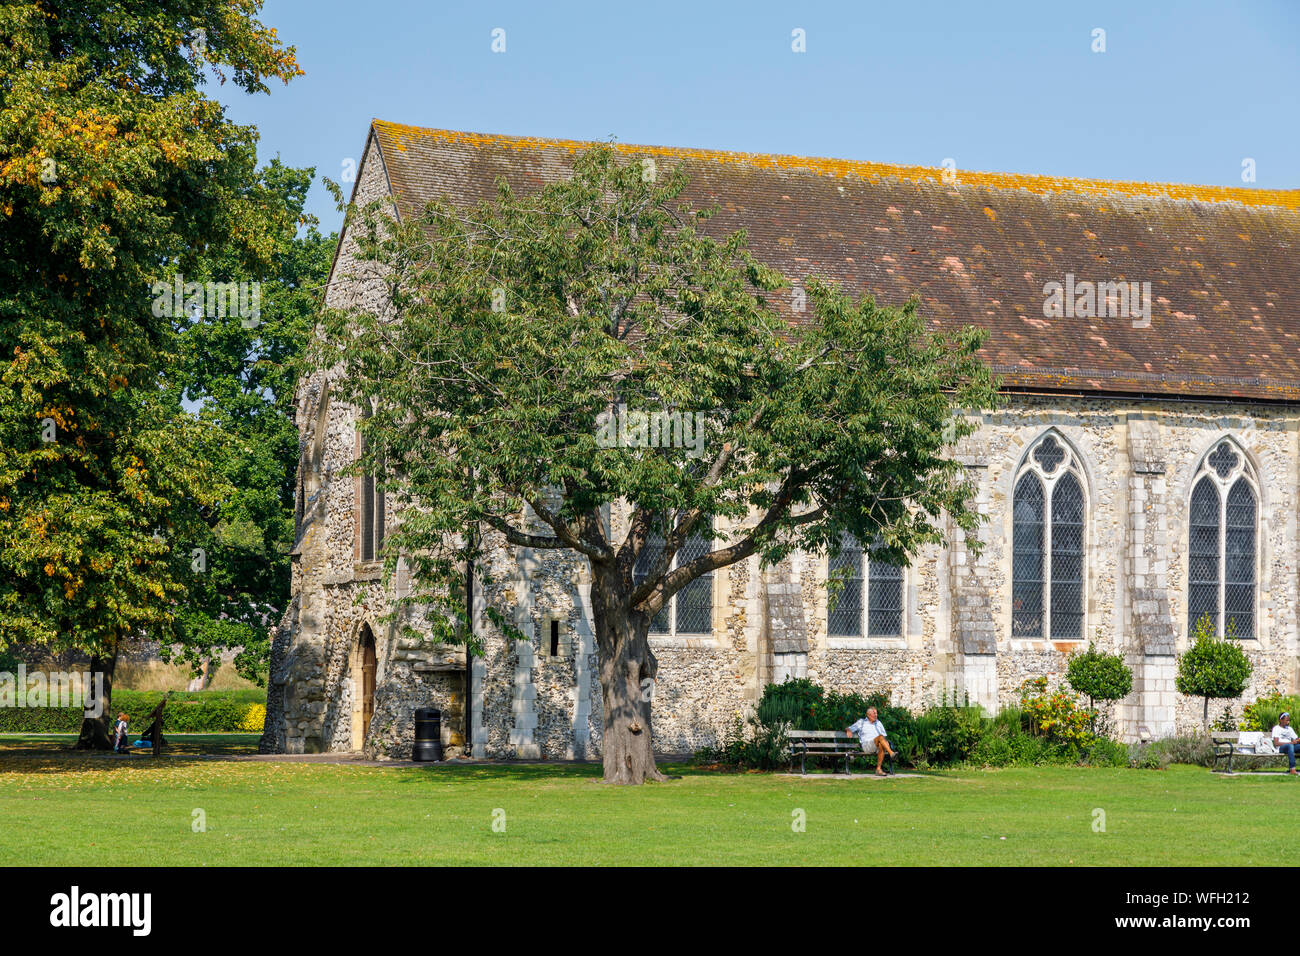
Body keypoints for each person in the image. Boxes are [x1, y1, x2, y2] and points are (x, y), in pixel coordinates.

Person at [847, 706, 897, 776]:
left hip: (878, 745)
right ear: (868, 715)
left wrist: (884, 742)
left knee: (881, 744)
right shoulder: (861, 722)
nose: (876, 715)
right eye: (874, 713)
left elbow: (884, 737)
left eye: (876, 713)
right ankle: (891, 753)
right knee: (880, 737)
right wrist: (848, 730)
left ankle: (878, 769)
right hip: (867, 746)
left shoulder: (878, 723)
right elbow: (849, 728)